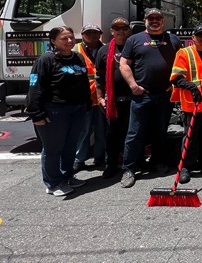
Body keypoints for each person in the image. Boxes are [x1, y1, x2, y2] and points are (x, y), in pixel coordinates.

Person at [119, 8, 180, 188]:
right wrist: (133, 86)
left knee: (160, 132)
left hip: (165, 95)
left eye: (158, 18)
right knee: (134, 133)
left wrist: (175, 84)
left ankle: (157, 162)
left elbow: (182, 64)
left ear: (163, 21)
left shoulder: (173, 40)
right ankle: (129, 169)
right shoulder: (134, 40)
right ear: (145, 20)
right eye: (151, 18)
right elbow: (124, 64)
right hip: (142, 96)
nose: (155, 21)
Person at [27, 26, 90, 196]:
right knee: (53, 148)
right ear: (53, 41)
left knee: (70, 146)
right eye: (64, 38)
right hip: (55, 110)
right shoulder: (45, 60)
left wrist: (87, 104)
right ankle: (53, 183)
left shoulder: (77, 57)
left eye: (71, 37)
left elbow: (84, 83)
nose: (69, 41)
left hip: (77, 109)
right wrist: (37, 114)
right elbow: (35, 86)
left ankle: (67, 176)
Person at [171, 25, 202, 184]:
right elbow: (176, 78)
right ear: (193, 37)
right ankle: (184, 167)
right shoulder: (184, 53)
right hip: (192, 104)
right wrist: (192, 87)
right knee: (190, 137)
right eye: (200, 35)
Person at [94, 18, 133, 179]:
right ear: (111, 31)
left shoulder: (134, 47)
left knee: (132, 134)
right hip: (113, 101)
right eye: (117, 28)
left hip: (133, 99)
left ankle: (130, 165)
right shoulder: (103, 51)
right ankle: (111, 165)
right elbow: (99, 77)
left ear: (128, 30)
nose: (121, 31)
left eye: (124, 28)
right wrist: (99, 97)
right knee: (112, 135)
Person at [73, 23, 107, 172]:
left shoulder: (106, 48)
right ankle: (78, 160)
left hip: (101, 97)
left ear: (100, 34)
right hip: (83, 98)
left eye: (95, 33)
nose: (92, 35)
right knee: (83, 131)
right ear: (82, 35)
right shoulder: (75, 50)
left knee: (102, 129)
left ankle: (100, 158)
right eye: (89, 33)